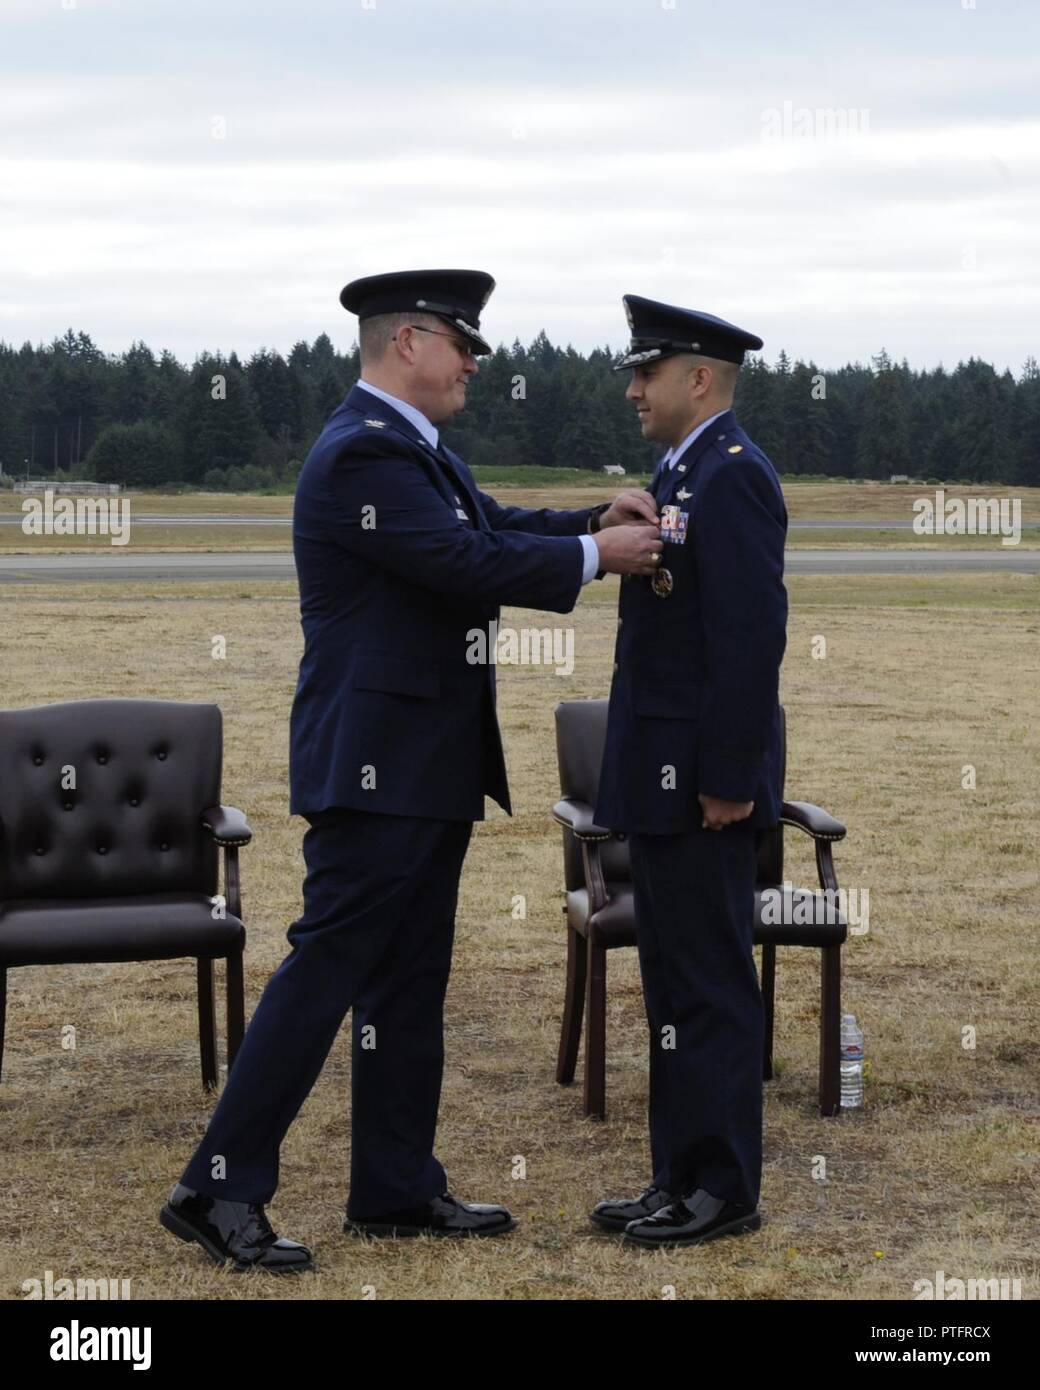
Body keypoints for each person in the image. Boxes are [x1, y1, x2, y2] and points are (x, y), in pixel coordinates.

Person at [160, 268, 662, 1271]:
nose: (475, 360)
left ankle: (392, 1185)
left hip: (419, 765)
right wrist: (601, 557)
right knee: (326, 973)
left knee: (406, 980)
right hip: (375, 768)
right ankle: (214, 1188)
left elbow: (490, 526)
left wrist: (583, 521)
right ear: (406, 346)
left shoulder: (411, 451)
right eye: (459, 341)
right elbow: (463, 563)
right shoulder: (362, 457)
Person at [589, 294, 788, 1249]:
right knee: (671, 981)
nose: (633, 388)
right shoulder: (680, 474)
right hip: (658, 778)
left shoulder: (734, 477)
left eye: (647, 372)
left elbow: (749, 641)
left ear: (698, 378)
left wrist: (729, 777)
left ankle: (724, 1187)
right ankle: (677, 1176)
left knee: (710, 980)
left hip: (702, 788)